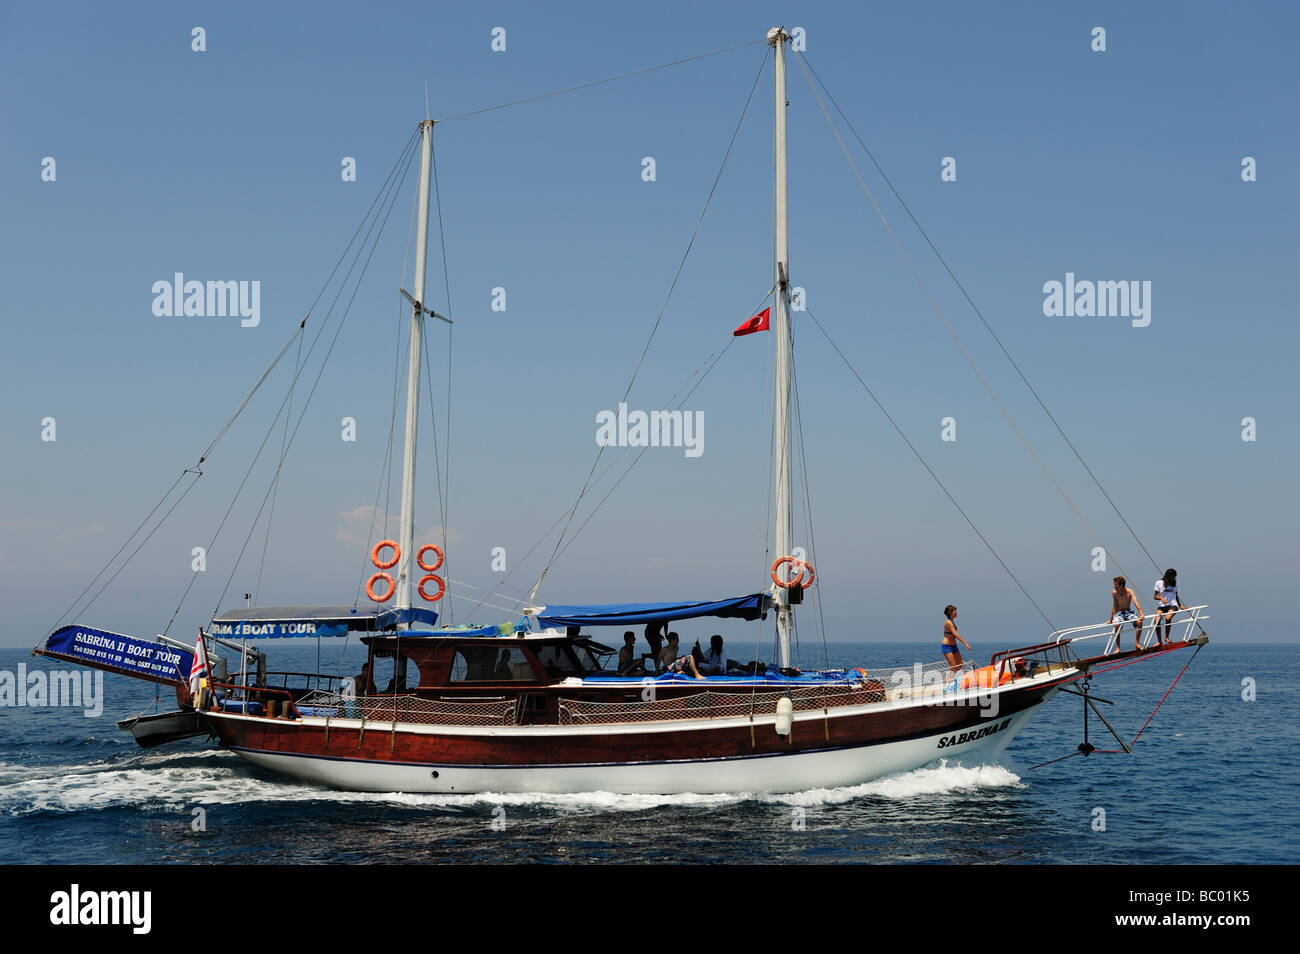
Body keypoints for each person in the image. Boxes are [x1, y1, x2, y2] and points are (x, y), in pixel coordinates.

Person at [1108, 576, 1145, 652]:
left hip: (1128, 612)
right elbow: (1114, 606)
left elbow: (1135, 602)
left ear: (1121, 585)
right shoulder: (1114, 593)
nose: (1113, 586)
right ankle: (1118, 647)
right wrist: (1110, 619)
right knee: (1117, 625)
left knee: (1139, 622)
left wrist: (1141, 614)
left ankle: (1137, 643)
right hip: (1119, 613)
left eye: (1115, 584)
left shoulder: (1129, 591)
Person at [1153, 568, 1184, 646]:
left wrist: (1180, 605)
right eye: (1172, 577)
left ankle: (1167, 637)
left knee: (1168, 618)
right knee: (1156, 620)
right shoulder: (1159, 583)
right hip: (1162, 606)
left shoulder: (1176, 583)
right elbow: (1155, 596)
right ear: (1168, 576)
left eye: (1174, 577)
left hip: (1173, 605)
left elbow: (1176, 596)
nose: (1173, 578)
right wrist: (1161, 598)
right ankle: (1159, 641)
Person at [942, 605, 972, 673]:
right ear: (950, 612)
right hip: (947, 647)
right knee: (953, 668)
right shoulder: (949, 622)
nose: (956, 612)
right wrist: (965, 644)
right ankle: (948, 682)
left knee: (960, 666)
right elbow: (955, 634)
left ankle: (955, 681)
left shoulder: (952, 621)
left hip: (954, 646)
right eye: (955, 611)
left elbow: (952, 634)